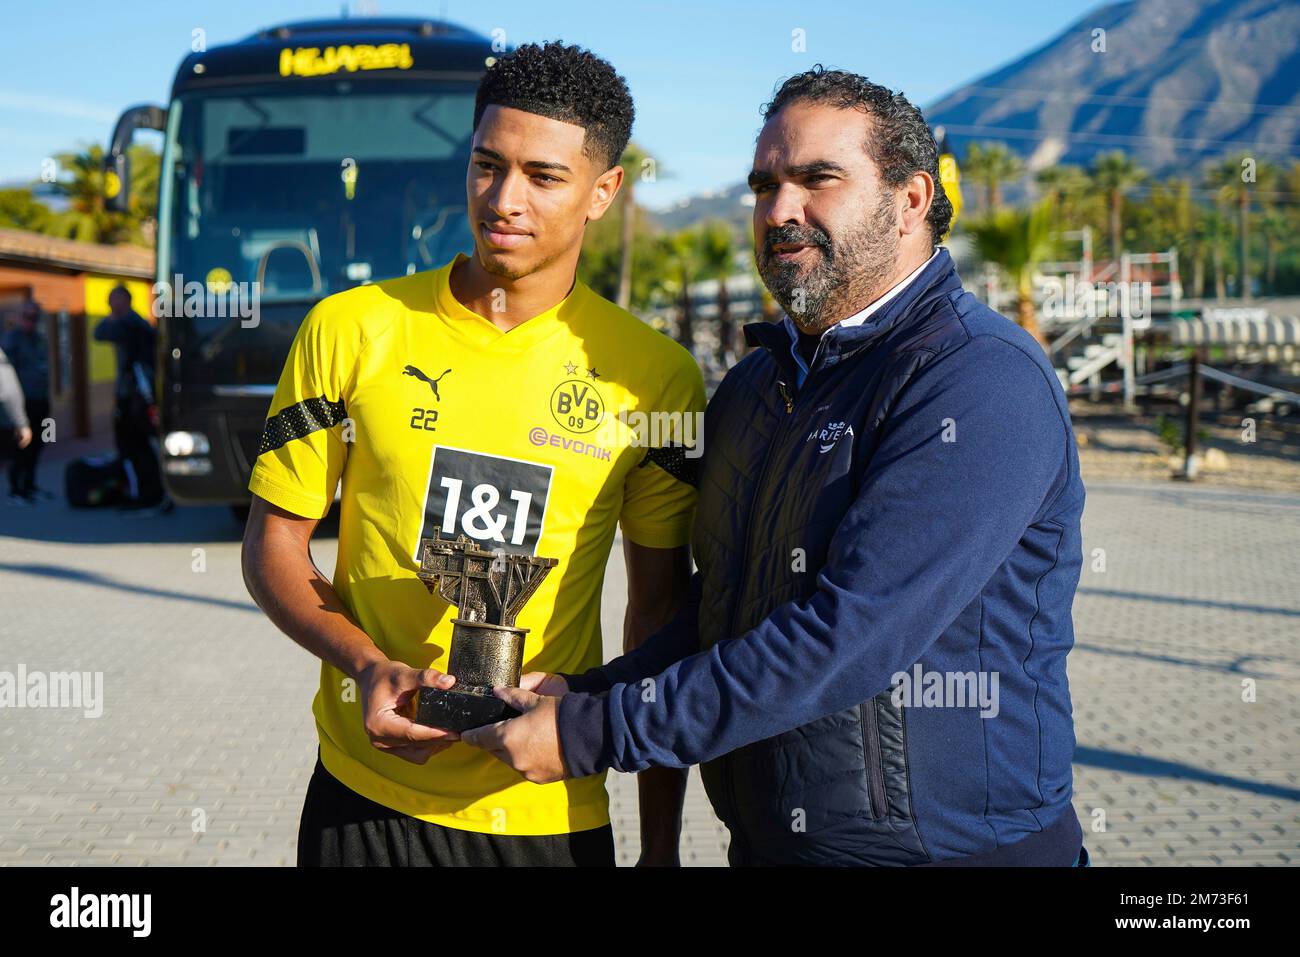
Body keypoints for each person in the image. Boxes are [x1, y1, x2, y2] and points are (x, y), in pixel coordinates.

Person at [463, 67, 1089, 867]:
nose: (779, 210)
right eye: (764, 184)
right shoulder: (758, 385)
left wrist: (593, 733)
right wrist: (588, 694)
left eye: (816, 178)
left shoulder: (981, 381)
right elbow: (722, 610)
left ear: (911, 200)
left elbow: (847, 636)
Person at [241, 42, 704, 867]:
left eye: (543, 176)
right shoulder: (349, 328)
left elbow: (658, 617)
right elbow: (275, 542)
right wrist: (366, 663)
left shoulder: (656, 378)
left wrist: (661, 846)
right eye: (487, 165)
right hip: (364, 794)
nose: (503, 200)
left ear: (605, 192)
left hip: (545, 812)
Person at [93, 286, 164, 508]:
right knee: (135, 446)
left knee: (134, 446)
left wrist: (114, 317)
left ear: (125, 301)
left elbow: (100, 332)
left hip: (137, 398)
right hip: (133, 396)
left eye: (113, 300)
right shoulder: (135, 323)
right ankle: (147, 493)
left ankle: (147, 496)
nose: (110, 305)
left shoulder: (132, 325)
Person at [2, 301, 51, 502]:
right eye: (27, 316)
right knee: (20, 446)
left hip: (40, 400)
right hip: (21, 404)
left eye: (35, 317)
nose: (31, 321)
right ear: (20, 317)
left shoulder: (40, 339)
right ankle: (16, 489)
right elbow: (5, 376)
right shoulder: (11, 340)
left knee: (39, 444)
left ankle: (30, 485)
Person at [0, 338, 32, 502]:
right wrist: (21, 423)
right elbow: (9, 392)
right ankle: (16, 490)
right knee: (17, 453)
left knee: (47, 436)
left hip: (37, 403)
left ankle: (27, 487)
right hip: (8, 418)